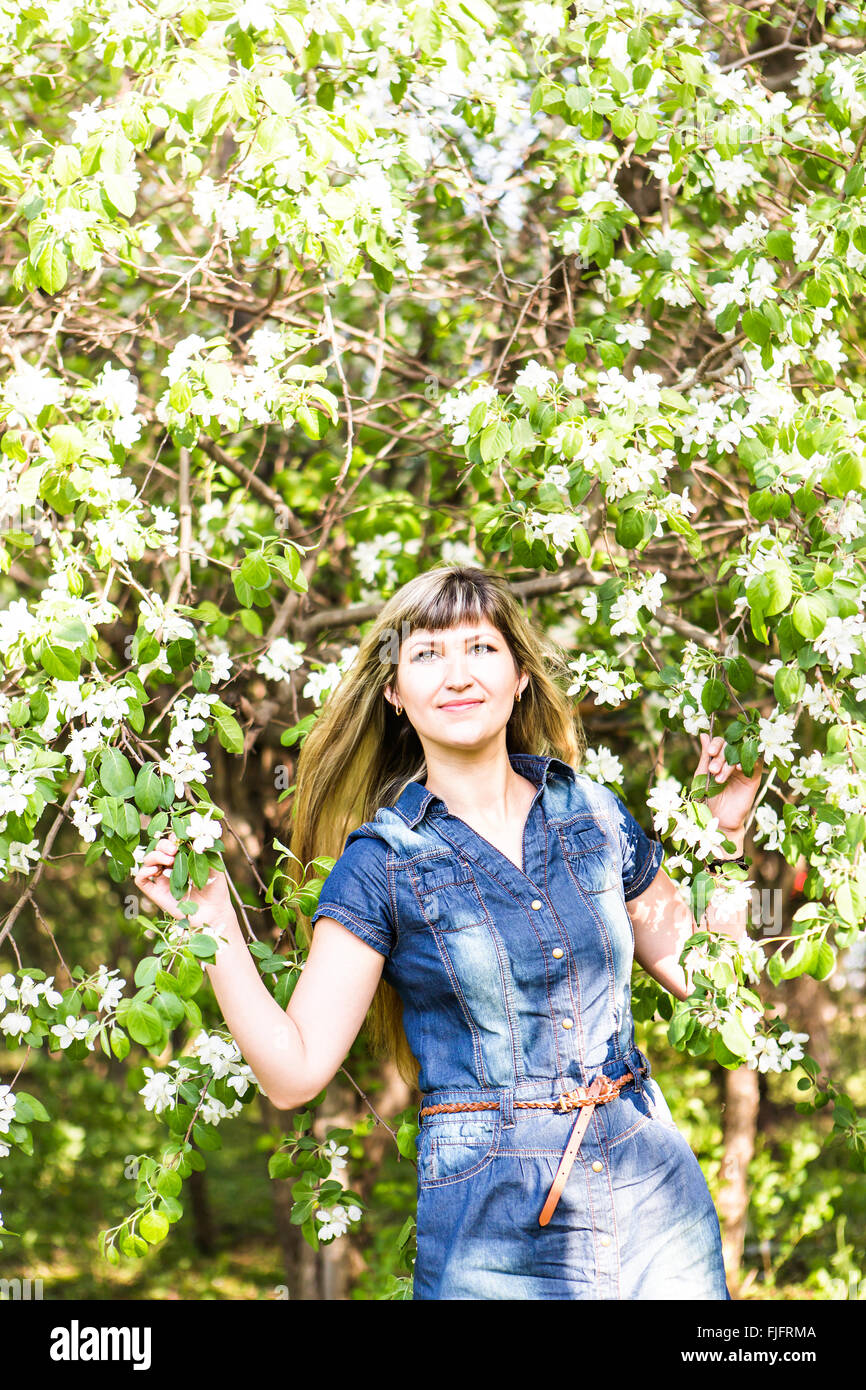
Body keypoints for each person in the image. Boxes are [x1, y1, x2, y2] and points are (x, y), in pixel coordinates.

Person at [135, 564, 763, 1300]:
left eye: (481, 649)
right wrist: (214, 921)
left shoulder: (592, 813)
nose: (457, 674)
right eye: (428, 654)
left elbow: (717, 984)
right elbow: (293, 1072)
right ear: (395, 693)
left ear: (521, 674)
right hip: (493, 1226)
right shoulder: (381, 864)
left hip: (649, 1192)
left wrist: (724, 836)